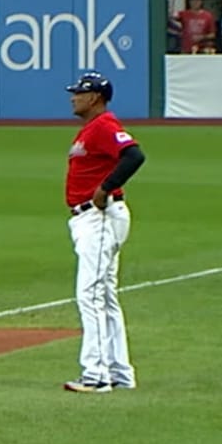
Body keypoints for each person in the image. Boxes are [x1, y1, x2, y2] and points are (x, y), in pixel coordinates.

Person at [62, 72, 146, 394]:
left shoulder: (104, 126)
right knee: (106, 296)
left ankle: (96, 374)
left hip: (99, 217)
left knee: (91, 295)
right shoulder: (92, 130)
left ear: (95, 97)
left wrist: (107, 186)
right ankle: (119, 372)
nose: (73, 98)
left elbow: (134, 155)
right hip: (94, 219)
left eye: (79, 93)